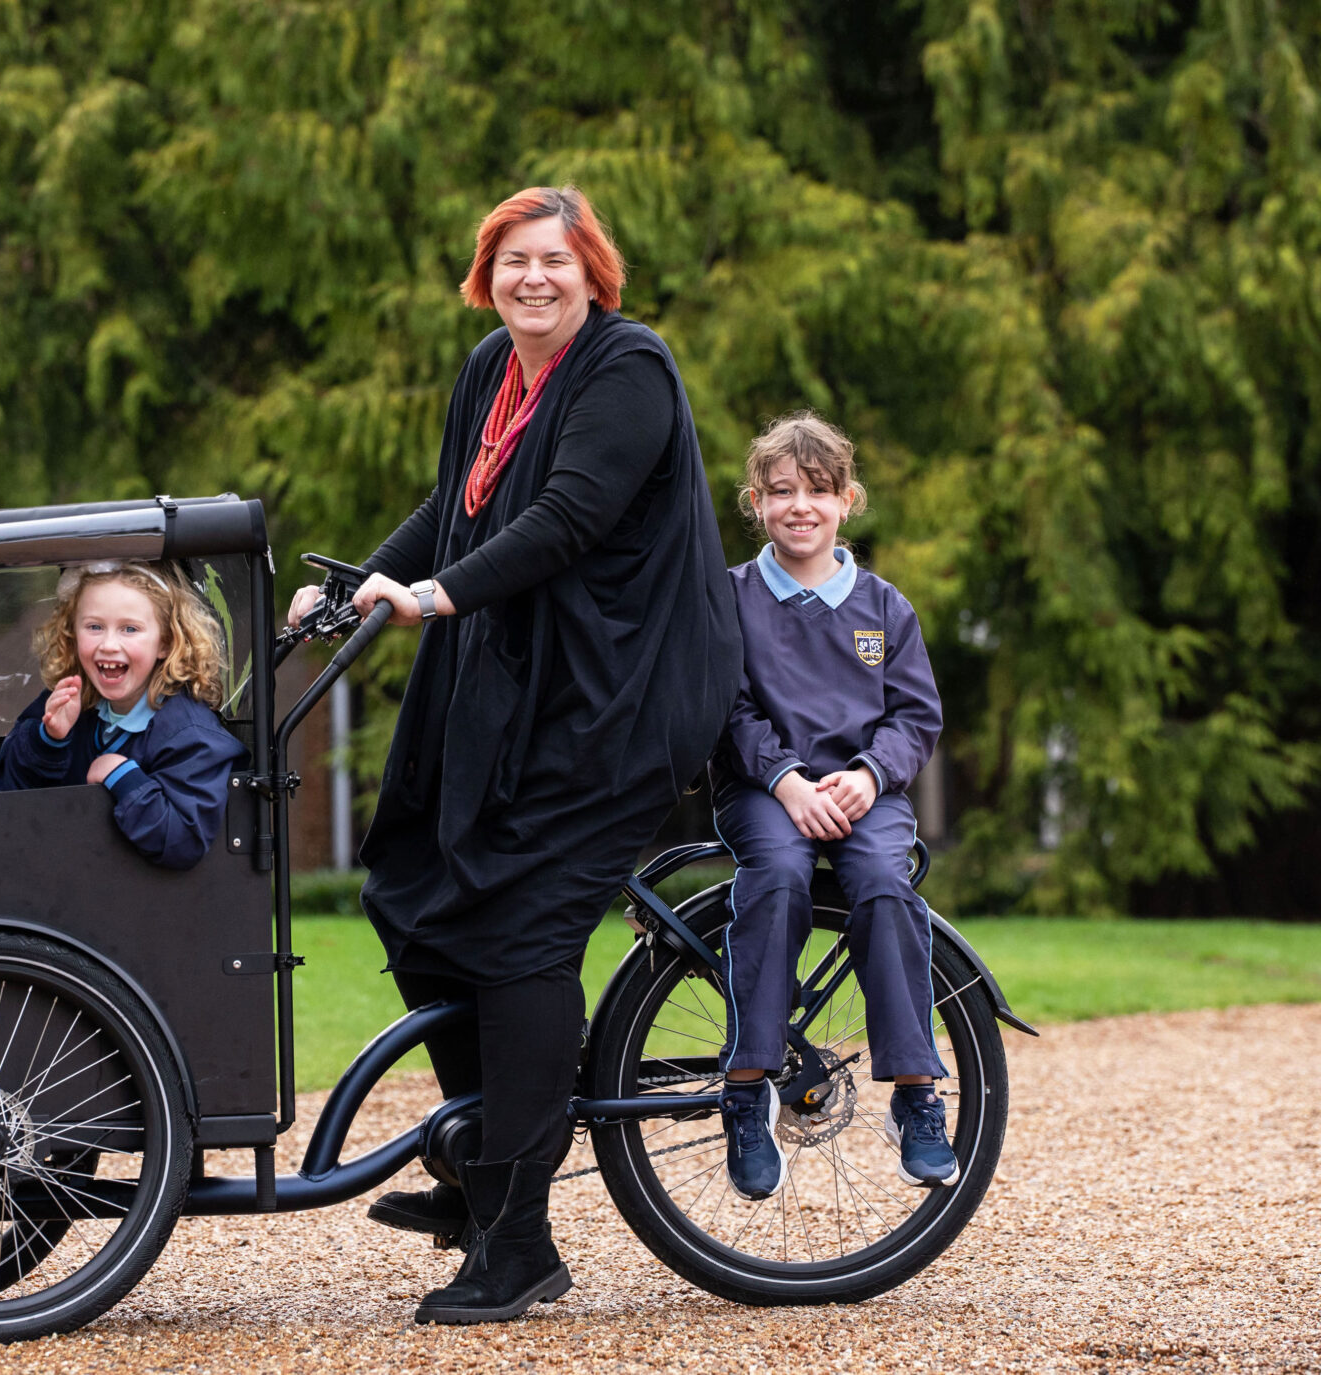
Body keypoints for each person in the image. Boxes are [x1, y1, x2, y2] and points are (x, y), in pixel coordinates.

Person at [287, 186, 742, 1325]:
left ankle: (519, 1236)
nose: (532, 278)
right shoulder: (495, 365)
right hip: (521, 680)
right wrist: (359, 584)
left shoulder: (629, 368)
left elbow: (572, 517)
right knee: (413, 885)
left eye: (554, 260)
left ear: (594, 273)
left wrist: (435, 595)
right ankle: (484, 1160)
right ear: (486, 274)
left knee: (518, 927)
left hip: (618, 692)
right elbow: (462, 501)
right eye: (511, 260)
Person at [710, 412, 955, 1202]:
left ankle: (917, 1095)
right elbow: (727, 707)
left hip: (862, 793)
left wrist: (870, 774)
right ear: (756, 502)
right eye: (781, 492)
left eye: (818, 490)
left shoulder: (884, 608)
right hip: (764, 790)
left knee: (885, 882)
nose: (800, 506)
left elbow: (915, 717)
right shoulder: (732, 598)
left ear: (847, 500)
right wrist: (785, 779)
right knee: (777, 873)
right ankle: (746, 1090)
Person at [0, 559, 245, 869]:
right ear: (73, 633)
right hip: (63, 883)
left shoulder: (189, 734)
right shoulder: (70, 704)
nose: (109, 644)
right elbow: (7, 798)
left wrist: (123, 777)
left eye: (130, 629)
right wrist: (48, 740)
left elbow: (184, 840)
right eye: (94, 627)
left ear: (164, 642)